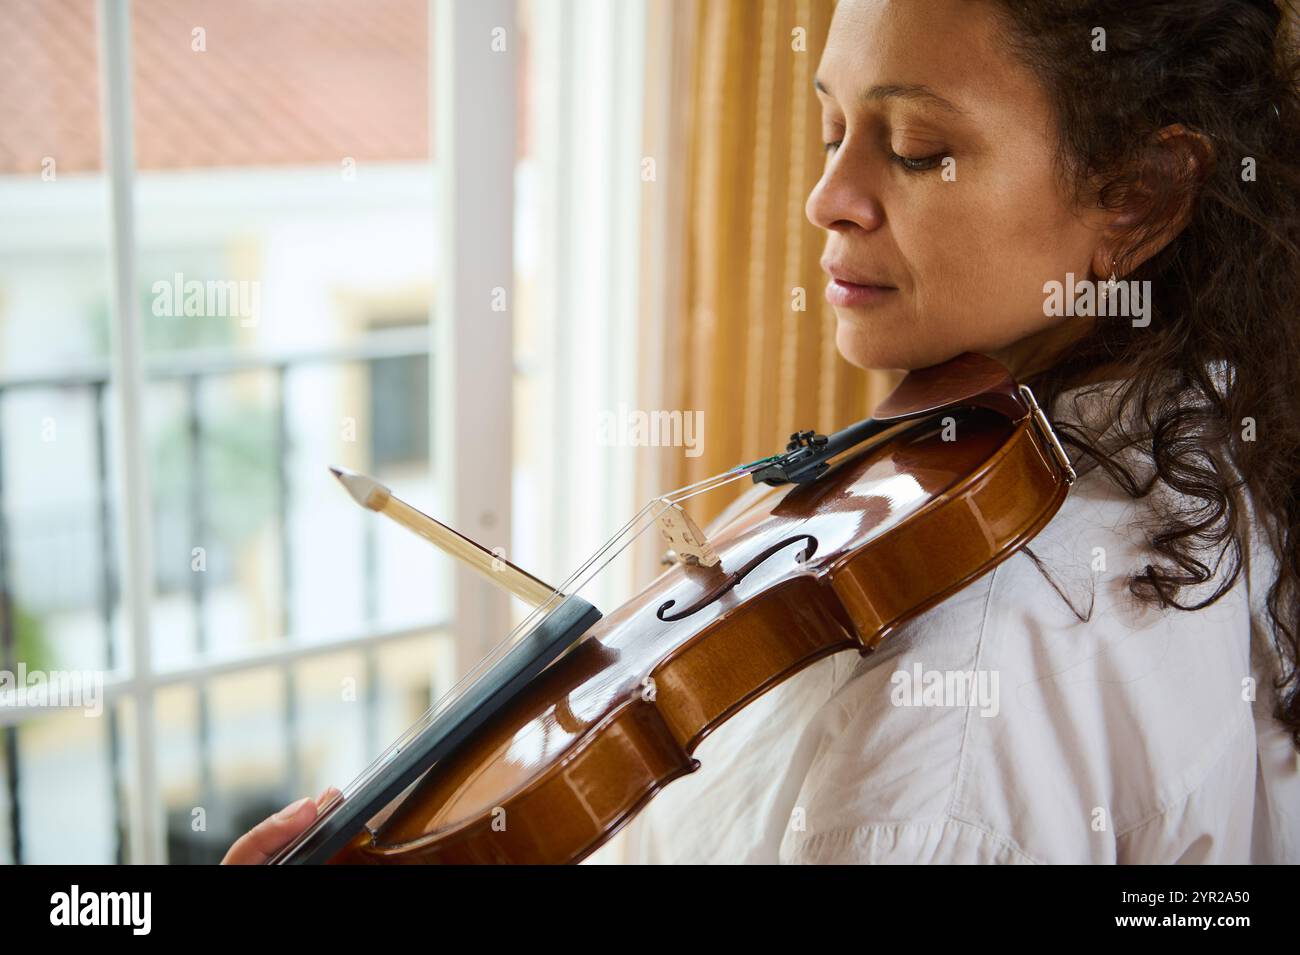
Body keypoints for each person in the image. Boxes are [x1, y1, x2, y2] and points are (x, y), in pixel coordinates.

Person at [225, 0, 1300, 864]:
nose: (825, 196)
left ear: (1139, 197)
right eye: (831, 127)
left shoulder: (952, 700)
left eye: (918, 149)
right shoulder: (1211, 424)